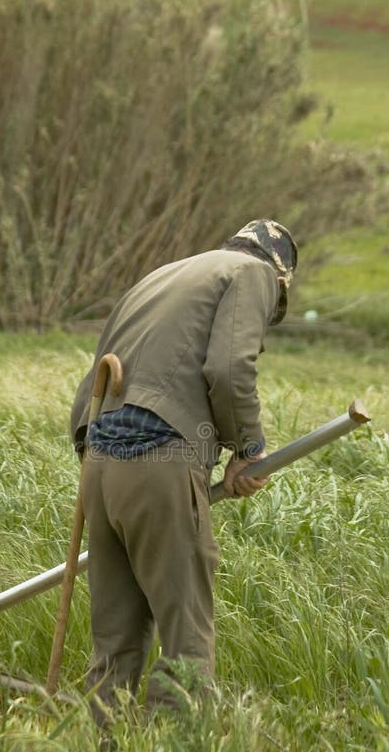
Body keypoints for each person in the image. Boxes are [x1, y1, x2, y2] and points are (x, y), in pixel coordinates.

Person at [70, 219, 298, 724]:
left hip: (99, 467)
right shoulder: (253, 274)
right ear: (281, 278)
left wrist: (92, 454)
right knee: (186, 638)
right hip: (160, 462)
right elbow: (229, 369)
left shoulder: (163, 275)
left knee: (114, 646)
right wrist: (248, 449)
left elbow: (94, 377)